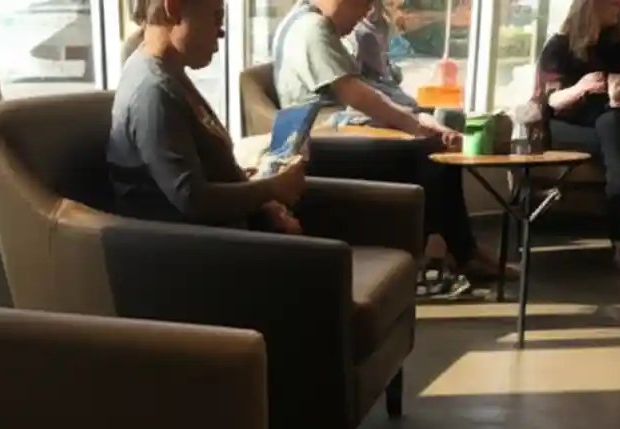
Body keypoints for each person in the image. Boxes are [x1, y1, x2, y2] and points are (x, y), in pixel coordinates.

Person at [272, 0, 511, 280]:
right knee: (430, 154)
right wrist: (414, 126)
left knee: (430, 150)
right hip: (313, 142)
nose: (364, 15)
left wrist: (417, 120)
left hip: (323, 133)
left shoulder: (301, 19)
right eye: (362, 7)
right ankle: (455, 252)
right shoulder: (314, 29)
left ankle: (451, 250)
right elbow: (357, 95)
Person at [107, 0, 306, 232]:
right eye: (216, 17)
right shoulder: (153, 92)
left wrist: (260, 196)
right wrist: (272, 189)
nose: (221, 32)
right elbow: (192, 200)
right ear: (175, 8)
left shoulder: (170, 74)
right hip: (193, 249)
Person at [539, 0, 620, 278]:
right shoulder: (559, 47)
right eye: (612, 2)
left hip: (611, 124)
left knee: (614, 127)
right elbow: (551, 101)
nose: (618, 7)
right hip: (570, 127)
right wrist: (581, 88)